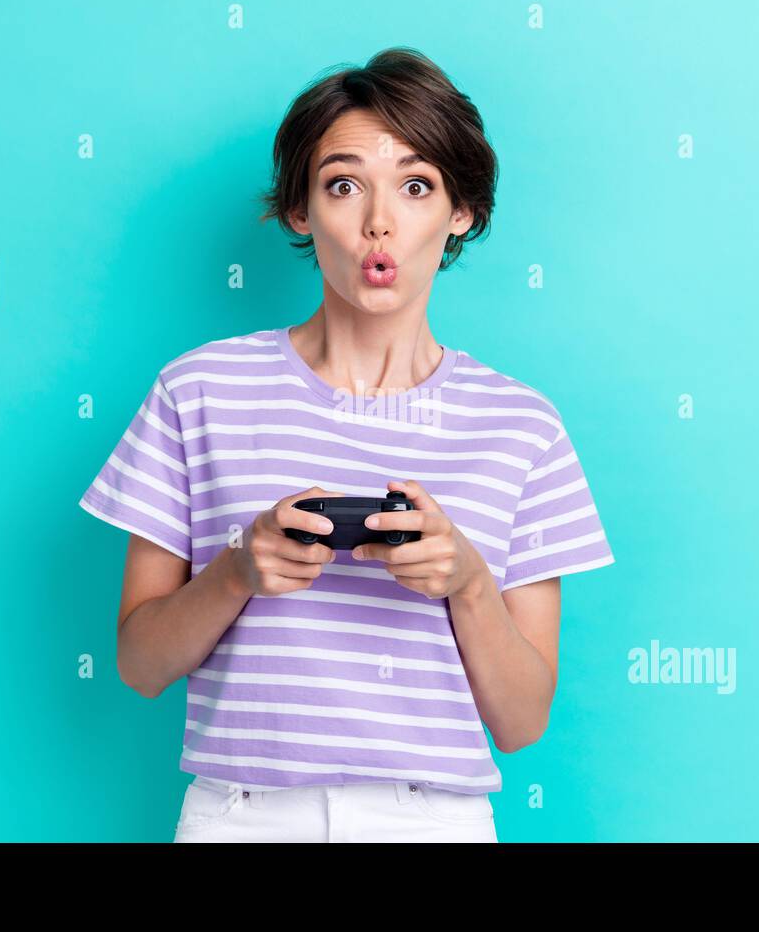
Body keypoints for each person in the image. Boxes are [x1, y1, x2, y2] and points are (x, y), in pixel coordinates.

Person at [78, 47, 615, 842]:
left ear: (461, 211)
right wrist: (237, 571)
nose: (378, 223)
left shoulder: (523, 426)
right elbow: (139, 664)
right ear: (300, 210)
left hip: (432, 820)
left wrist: (467, 582)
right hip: (239, 818)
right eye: (342, 184)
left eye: (416, 185)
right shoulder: (197, 392)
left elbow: (523, 719)